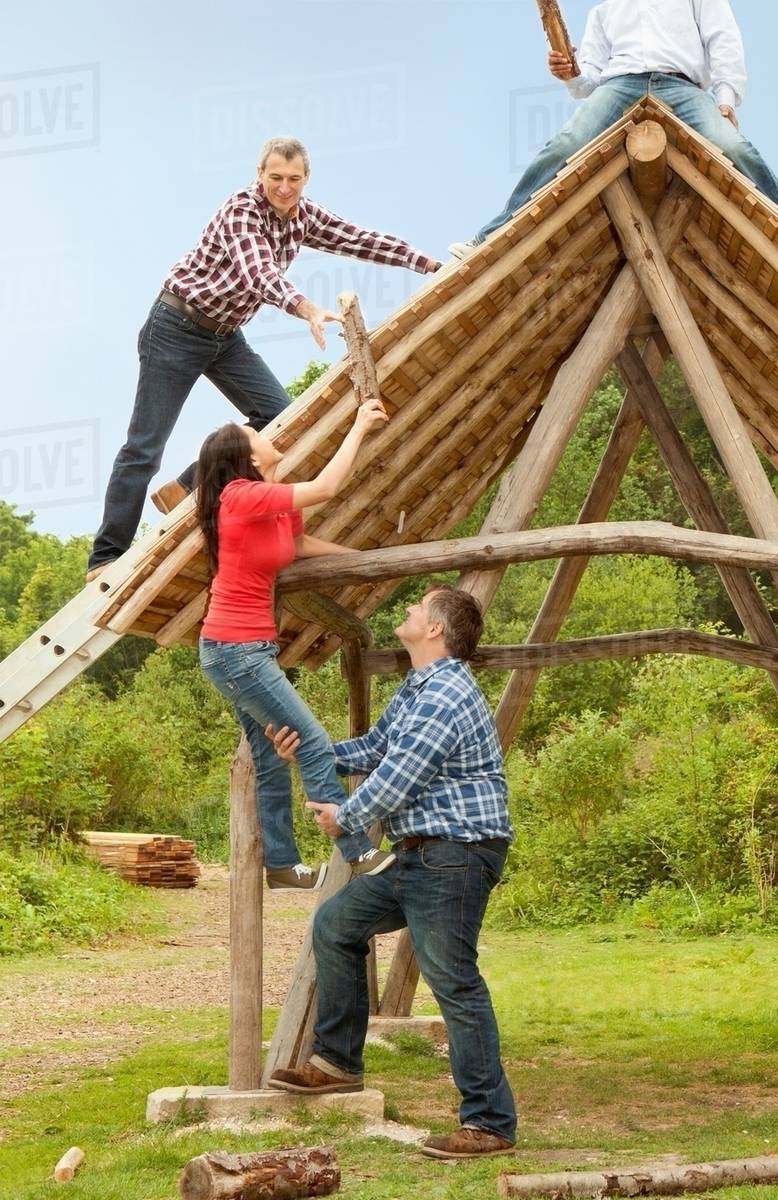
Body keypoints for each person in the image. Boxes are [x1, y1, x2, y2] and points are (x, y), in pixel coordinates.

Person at [86, 135, 441, 582]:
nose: (285, 188)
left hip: (225, 336)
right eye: (275, 178)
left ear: (306, 179)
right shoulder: (241, 211)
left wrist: (426, 264)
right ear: (260, 175)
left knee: (279, 414)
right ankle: (105, 557)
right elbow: (260, 274)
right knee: (144, 446)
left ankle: (188, 486)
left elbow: (359, 239)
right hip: (176, 327)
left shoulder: (304, 216)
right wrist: (307, 309)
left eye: (294, 179)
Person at [266, 585, 517, 1160]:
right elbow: (376, 748)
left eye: (416, 607)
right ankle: (338, 1062)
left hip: (454, 853)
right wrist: (306, 750)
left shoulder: (447, 691)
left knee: (453, 980)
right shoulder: (418, 687)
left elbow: (401, 775)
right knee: (336, 925)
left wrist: (346, 816)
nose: (406, 611)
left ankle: (489, 1123)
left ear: (435, 630)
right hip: (419, 854)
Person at [449, 0, 778, 273]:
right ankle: (490, 237)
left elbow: (723, 40)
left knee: (733, 148)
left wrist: (725, 99)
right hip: (620, 85)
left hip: (682, 86)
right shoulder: (605, 9)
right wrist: (568, 71)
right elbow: (588, 78)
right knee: (566, 146)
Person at [196, 400, 397, 890]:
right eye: (253, 432)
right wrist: (359, 424)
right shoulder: (239, 496)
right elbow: (328, 487)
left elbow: (302, 548)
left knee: (270, 758)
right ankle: (357, 849)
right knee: (311, 742)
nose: (266, 433)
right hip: (234, 650)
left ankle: (283, 866)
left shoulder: (273, 503)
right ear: (245, 456)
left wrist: (372, 560)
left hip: (245, 652)